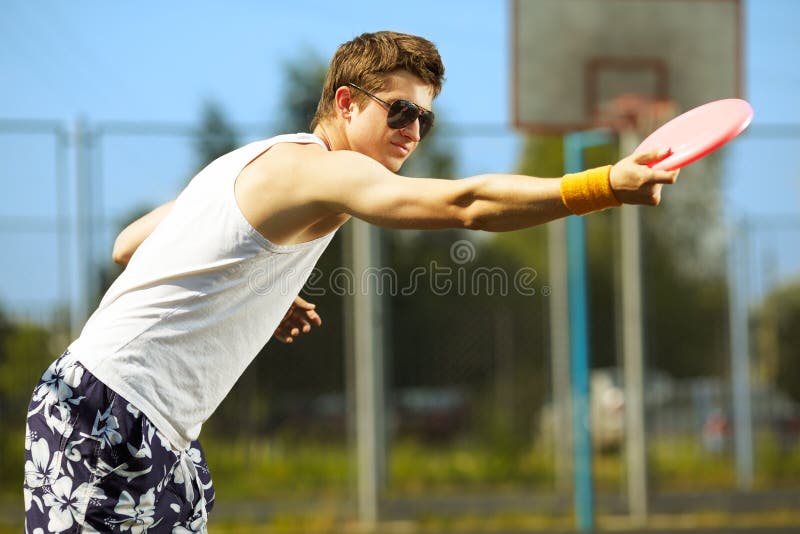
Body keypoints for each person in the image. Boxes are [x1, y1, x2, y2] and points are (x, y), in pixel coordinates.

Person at [24, 30, 677, 532]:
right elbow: (467, 205)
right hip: (105, 409)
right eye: (399, 112)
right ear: (345, 103)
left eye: (425, 118)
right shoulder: (318, 172)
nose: (413, 131)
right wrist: (605, 186)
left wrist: (253, 282)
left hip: (147, 423)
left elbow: (127, 244)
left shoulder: (253, 162)